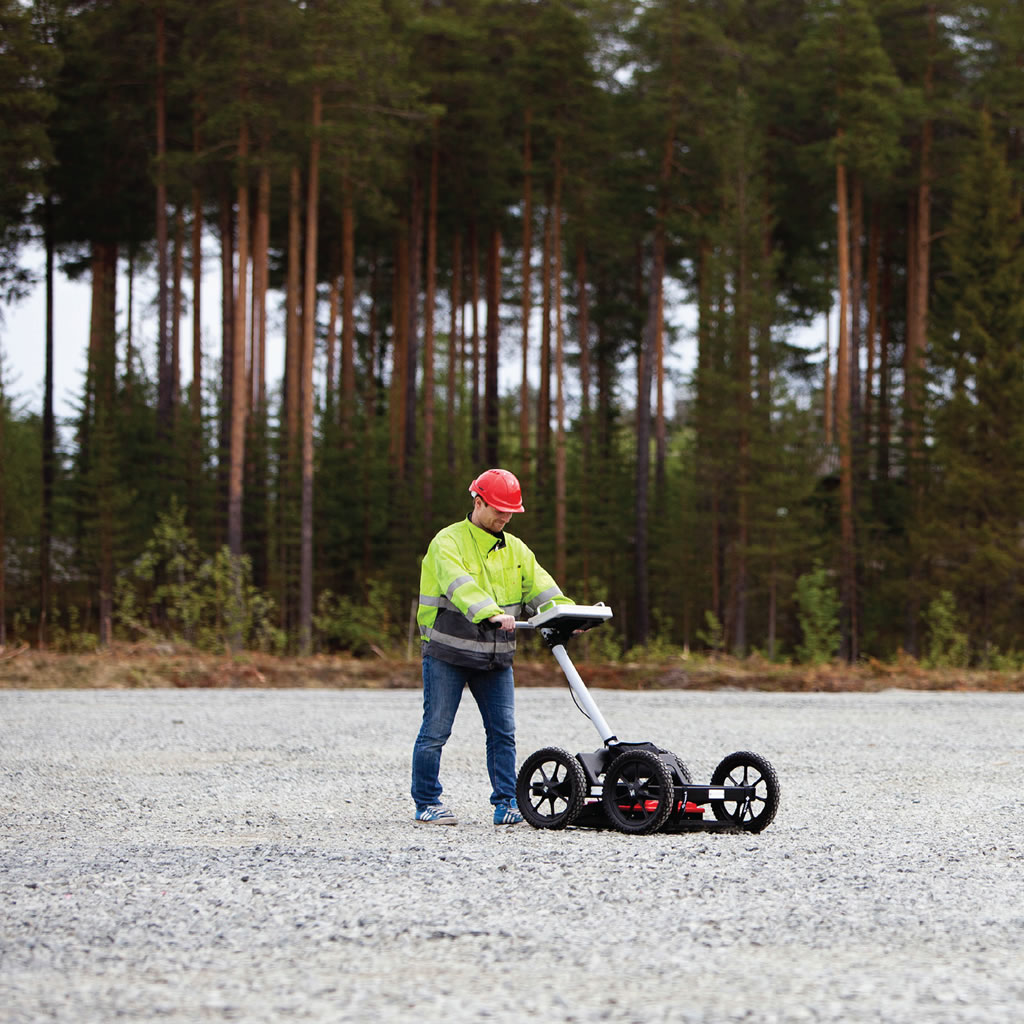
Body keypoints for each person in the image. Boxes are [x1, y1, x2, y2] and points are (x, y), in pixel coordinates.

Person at [411, 468, 572, 826]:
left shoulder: (516, 549)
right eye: (498, 509)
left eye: (510, 511)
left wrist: (564, 612)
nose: (505, 517)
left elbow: (540, 587)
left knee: (503, 732)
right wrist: (491, 613)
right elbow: (459, 584)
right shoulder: (447, 542)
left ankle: (506, 803)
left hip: (495, 656)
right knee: (436, 730)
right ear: (478, 501)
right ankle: (426, 801)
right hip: (447, 653)